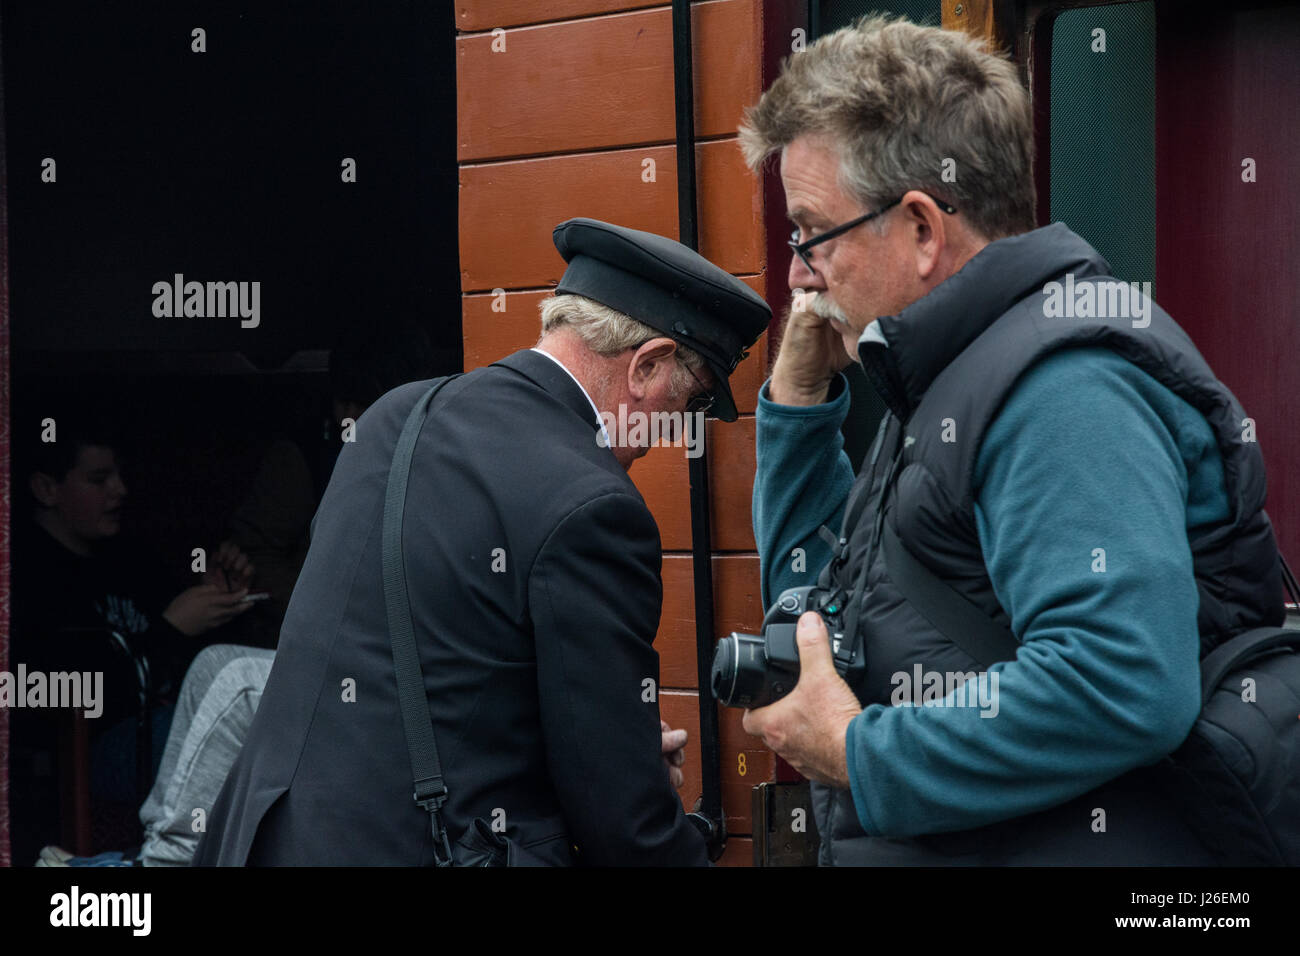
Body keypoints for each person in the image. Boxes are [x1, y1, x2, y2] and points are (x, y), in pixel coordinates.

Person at [736, 16, 1283, 864]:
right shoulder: (949, 371)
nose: (799, 273)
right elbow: (824, 626)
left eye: (812, 233)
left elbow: (1121, 680)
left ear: (922, 228)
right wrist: (800, 404)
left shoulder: (1062, 388)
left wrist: (861, 757)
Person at [194, 217, 770, 865]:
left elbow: (441, 666)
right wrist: (630, 783)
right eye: (688, 401)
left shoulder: (397, 415)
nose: (674, 430)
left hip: (268, 837)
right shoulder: (595, 504)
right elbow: (622, 823)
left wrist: (608, 759)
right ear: (648, 364)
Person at [9, 410, 258, 865]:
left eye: (118, 475)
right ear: (47, 489)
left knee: (247, 707)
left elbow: (192, 651)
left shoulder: (129, 557)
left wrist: (220, 601)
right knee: (225, 725)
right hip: (95, 750)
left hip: (160, 721)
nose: (119, 491)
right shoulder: (28, 576)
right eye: (99, 479)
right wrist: (168, 631)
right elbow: (49, 697)